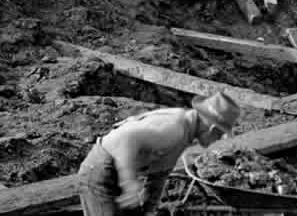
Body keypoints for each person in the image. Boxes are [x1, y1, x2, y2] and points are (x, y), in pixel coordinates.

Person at [77, 92, 241, 216]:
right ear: (212, 128)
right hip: (100, 172)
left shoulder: (185, 131)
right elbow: (128, 139)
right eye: (220, 134)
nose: (220, 139)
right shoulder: (174, 128)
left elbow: (160, 174)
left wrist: (149, 210)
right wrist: (129, 184)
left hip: (117, 171)